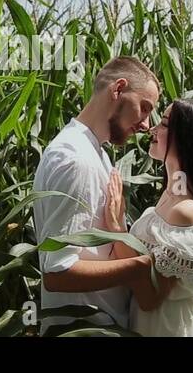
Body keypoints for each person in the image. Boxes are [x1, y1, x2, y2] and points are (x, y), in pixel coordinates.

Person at [32, 56, 160, 334]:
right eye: (144, 107)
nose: (146, 124)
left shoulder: (94, 153)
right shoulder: (78, 160)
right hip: (84, 328)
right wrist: (138, 267)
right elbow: (57, 272)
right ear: (118, 89)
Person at [104, 99, 193, 336]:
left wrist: (115, 228)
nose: (152, 130)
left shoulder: (185, 212)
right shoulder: (171, 196)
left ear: (188, 138)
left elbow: (149, 297)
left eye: (164, 124)